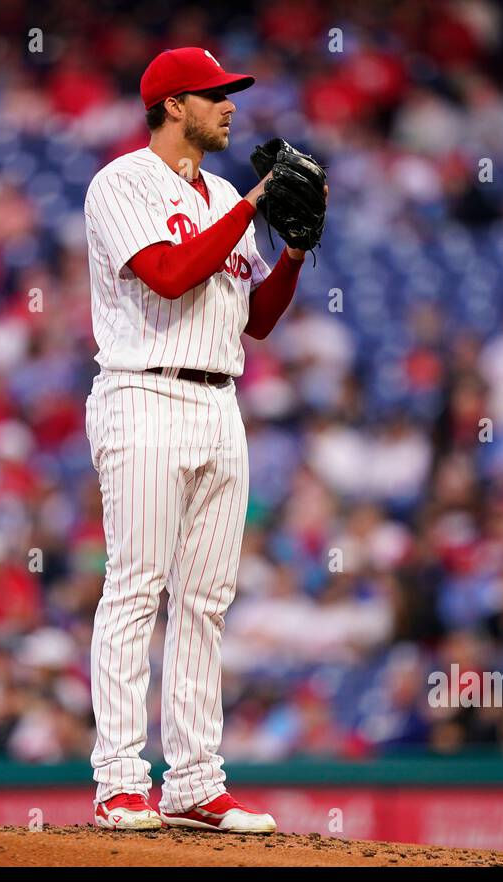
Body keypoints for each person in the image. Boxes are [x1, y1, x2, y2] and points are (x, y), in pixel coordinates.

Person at [81, 47, 324, 831]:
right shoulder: (120, 183)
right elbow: (171, 273)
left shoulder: (220, 191)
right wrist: (253, 205)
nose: (230, 107)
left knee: (206, 601)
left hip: (220, 401)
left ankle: (193, 778)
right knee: (137, 586)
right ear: (173, 103)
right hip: (143, 391)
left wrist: (292, 252)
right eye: (216, 95)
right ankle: (121, 777)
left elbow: (256, 319)